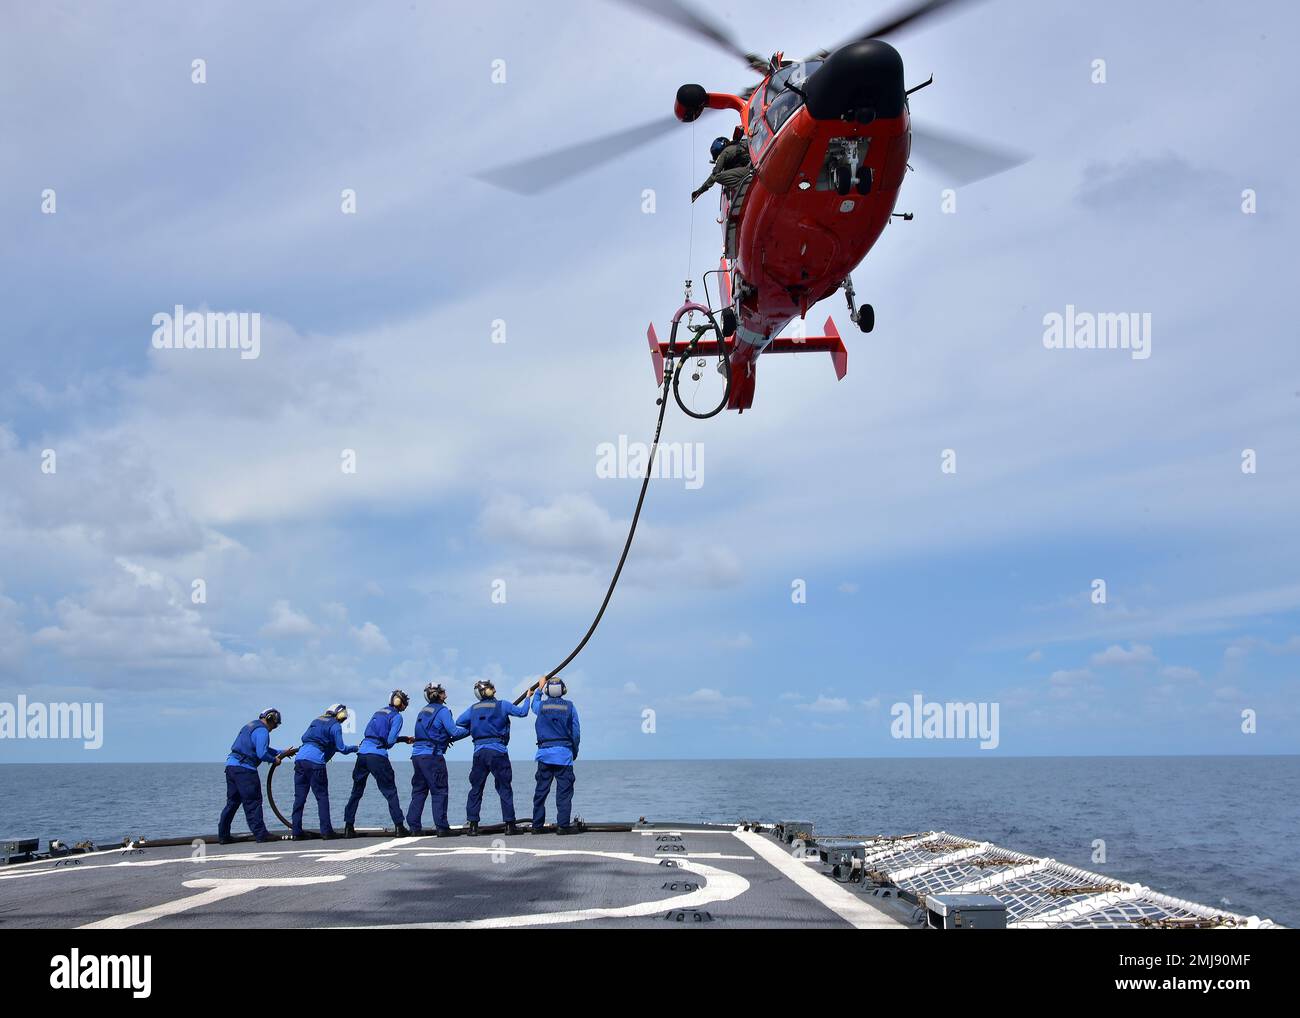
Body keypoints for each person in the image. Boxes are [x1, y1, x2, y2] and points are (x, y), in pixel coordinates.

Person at [456, 679, 530, 835]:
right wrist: (528, 697)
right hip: (498, 752)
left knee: (476, 789)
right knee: (504, 788)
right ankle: (510, 825)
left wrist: (477, 725)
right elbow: (523, 712)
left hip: (479, 753)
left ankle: (473, 826)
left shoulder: (473, 709)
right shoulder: (503, 705)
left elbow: (459, 721)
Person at [343, 690, 413, 837]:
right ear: (401, 703)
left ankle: (348, 827)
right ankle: (399, 827)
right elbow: (390, 741)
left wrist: (403, 738)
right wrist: (401, 739)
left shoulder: (378, 712)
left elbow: (372, 733)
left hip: (362, 754)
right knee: (390, 791)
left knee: (356, 791)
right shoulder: (397, 716)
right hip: (377, 755)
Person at [219, 708, 295, 844]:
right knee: (253, 802)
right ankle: (261, 835)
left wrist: (282, 752)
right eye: (275, 725)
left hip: (231, 767)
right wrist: (275, 760)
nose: (274, 728)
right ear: (271, 719)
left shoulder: (250, 726)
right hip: (245, 770)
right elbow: (262, 753)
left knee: (232, 803)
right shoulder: (263, 731)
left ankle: (223, 835)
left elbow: (262, 749)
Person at [406, 683, 468, 836]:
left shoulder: (423, 711)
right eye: (443, 692)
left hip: (417, 756)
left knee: (419, 791)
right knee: (439, 790)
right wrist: (472, 729)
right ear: (439, 695)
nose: (445, 694)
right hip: (433, 756)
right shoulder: (443, 711)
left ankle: (414, 827)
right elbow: (454, 731)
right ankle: (441, 827)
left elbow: (430, 732)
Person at [290, 703, 358, 840]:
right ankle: (326, 832)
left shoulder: (316, 721)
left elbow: (305, 737)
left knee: (299, 798)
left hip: (300, 759)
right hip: (315, 763)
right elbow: (342, 748)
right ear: (340, 714)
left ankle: (296, 832)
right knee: (322, 797)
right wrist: (355, 748)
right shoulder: (335, 726)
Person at [529, 678, 581, 835]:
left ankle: (537, 826)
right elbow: (576, 732)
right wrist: (574, 751)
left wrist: (538, 689)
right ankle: (562, 826)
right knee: (564, 793)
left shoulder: (541, 706)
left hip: (544, 755)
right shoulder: (570, 707)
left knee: (541, 791)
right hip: (564, 756)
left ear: (547, 691)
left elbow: (533, 705)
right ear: (563, 690)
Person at [691, 134, 751, 204]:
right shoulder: (740, 143)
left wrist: (699, 191)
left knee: (716, 176)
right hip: (752, 164)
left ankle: (741, 185)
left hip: (748, 171)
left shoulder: (724, 153)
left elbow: (714, 175)